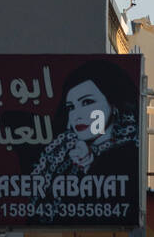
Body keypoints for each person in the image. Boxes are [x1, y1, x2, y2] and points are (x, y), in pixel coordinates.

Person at [31, 60, 138, 217]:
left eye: (87, 102)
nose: (77, 115)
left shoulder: (128, 156)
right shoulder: (62, 154)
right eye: (71, 107)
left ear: (113, 104)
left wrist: (89, 167)